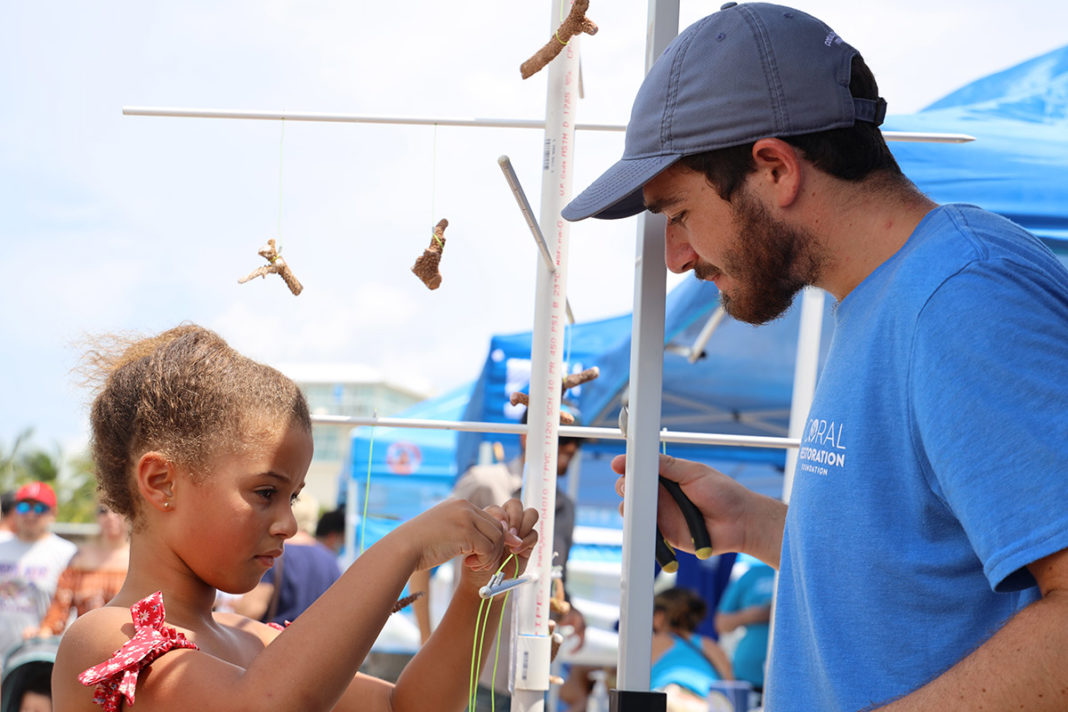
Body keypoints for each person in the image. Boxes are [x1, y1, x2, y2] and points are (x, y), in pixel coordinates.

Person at [562, 3, 1068, 709]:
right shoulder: (876, 295)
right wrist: (753, 523)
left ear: (774, 168)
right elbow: (926, 562)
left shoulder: (963, 300)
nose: (676, 256)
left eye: (678, 213)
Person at [50, 324, 538, 712]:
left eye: (294, 498)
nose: (289, 524)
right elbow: (266, 705)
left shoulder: (254, 640)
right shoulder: (101, 638)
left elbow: (405, 707)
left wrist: (479, 590)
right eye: (266, 492)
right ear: (160, 482)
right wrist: (402, 546)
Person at [447, 409, 587, 711]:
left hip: (534, 671)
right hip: (474, 669)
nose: (573, 448)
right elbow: (425, 554)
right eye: (566, 439)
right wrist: (425, 638)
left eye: (578, 441)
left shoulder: (565, 508)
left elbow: (557, 579)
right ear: (527, 436)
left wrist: (570, 608)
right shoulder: (484, 483)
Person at [25, 503, 129, 639]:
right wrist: (44, 631)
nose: (110, 516)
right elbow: (60, 605)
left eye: (117, 510)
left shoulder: (141, 558)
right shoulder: (80, 558)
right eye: (103, 511)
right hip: (86, 645)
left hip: (127, 646)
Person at [233, 494, 340, 625]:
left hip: (275, 640)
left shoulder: (273, 553)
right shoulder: (330, 560)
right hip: (317, 642)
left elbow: (252, 608)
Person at [0, 482, 77, 661]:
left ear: (53, 513)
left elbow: (70, 606)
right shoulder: (2, 548)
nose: (31, 514)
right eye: (24, 506)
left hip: (40, 654)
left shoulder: (67, 553)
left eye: (40, 508)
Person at [650, 587, 732, 712]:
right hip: (711, 702)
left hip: (671, 697)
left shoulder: (653, 642)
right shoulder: (711, 646)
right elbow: (731, 688)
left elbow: (631, 684)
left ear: (659, 616)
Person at [714, 558, 774, 694]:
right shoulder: (752, 574)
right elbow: (721, 624)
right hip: (747, 675)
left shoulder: (801, 569)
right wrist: (751, 616)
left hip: (793, 675)